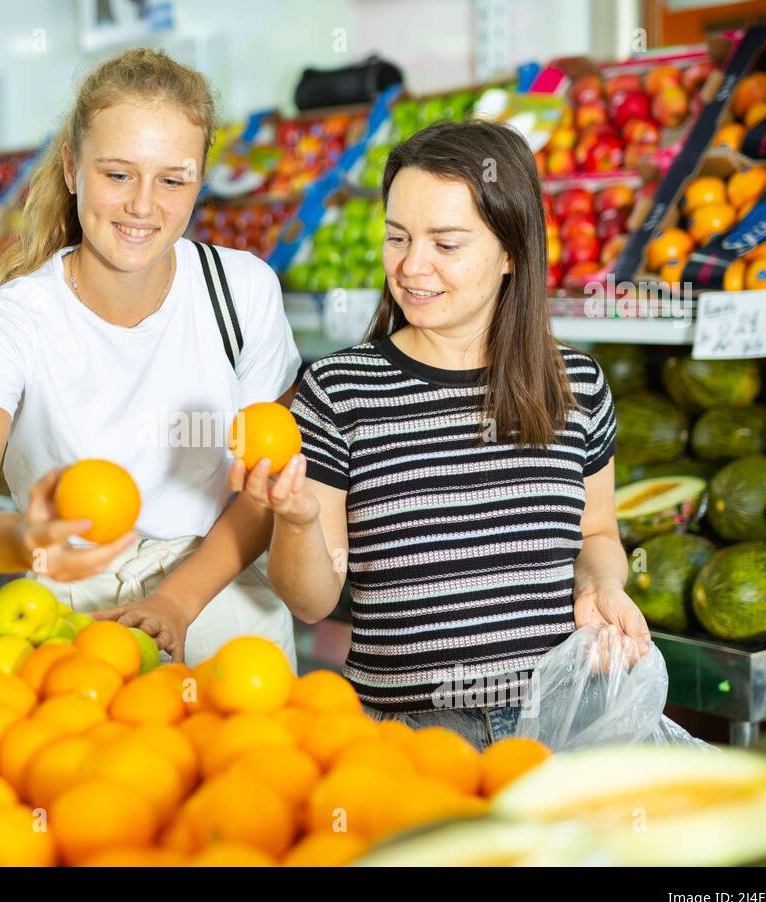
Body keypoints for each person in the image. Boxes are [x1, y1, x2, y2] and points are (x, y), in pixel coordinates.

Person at [236, 120, 651, 751]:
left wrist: (601, 584)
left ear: (511, 252)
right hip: (410, 743)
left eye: (446, 244)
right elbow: (312, 602)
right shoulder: (340, 390)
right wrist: (293, 523)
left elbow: (596, 533)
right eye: (396, 237)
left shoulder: (577, 384)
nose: (410, 266)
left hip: (558, 730)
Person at [0, 48, 302, 667]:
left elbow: (265, 485)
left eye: (172, 179)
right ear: (72, 169)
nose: (142, 206)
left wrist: (176, 602)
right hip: (73, 617)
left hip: (218, 596)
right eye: (118, 175)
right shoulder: (8, 324)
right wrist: (26, 539)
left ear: (199, 181)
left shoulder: (243, 290)